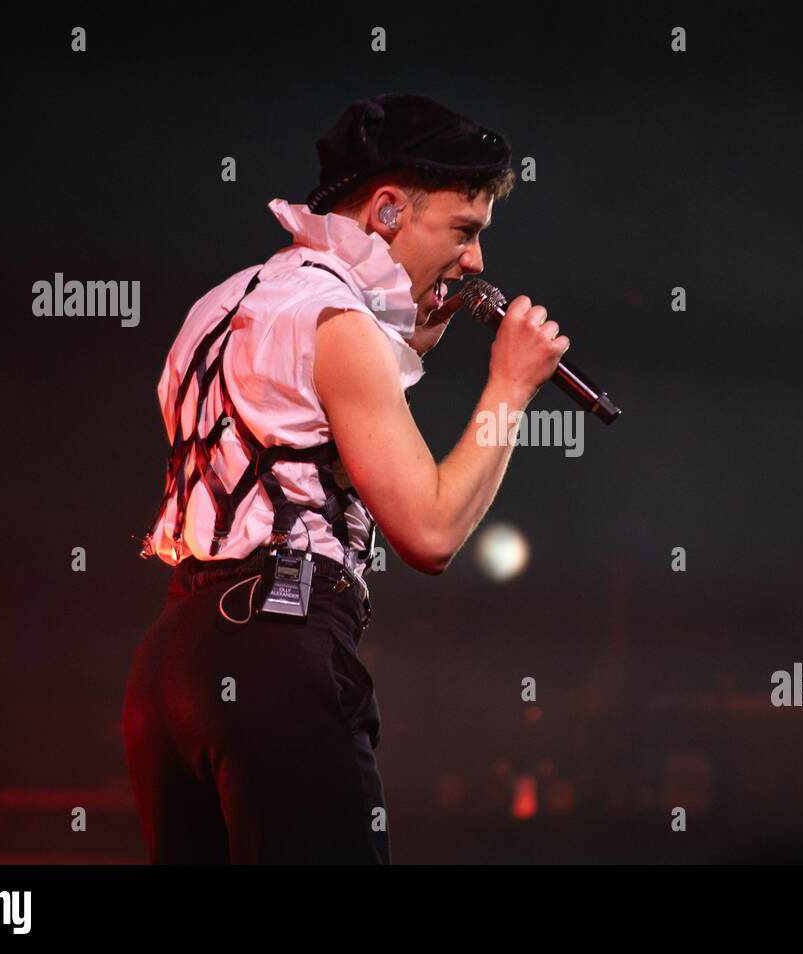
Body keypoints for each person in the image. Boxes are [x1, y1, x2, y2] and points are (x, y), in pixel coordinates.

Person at [121, 92, 570, 863]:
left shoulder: (223, 303)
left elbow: (285, 436)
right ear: (389, 210)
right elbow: (429, 533)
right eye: (464, 232)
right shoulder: (337, 320)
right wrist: (511, 388)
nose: (476, 262)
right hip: (277, 647)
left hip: (170, 664)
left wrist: (402, 350)